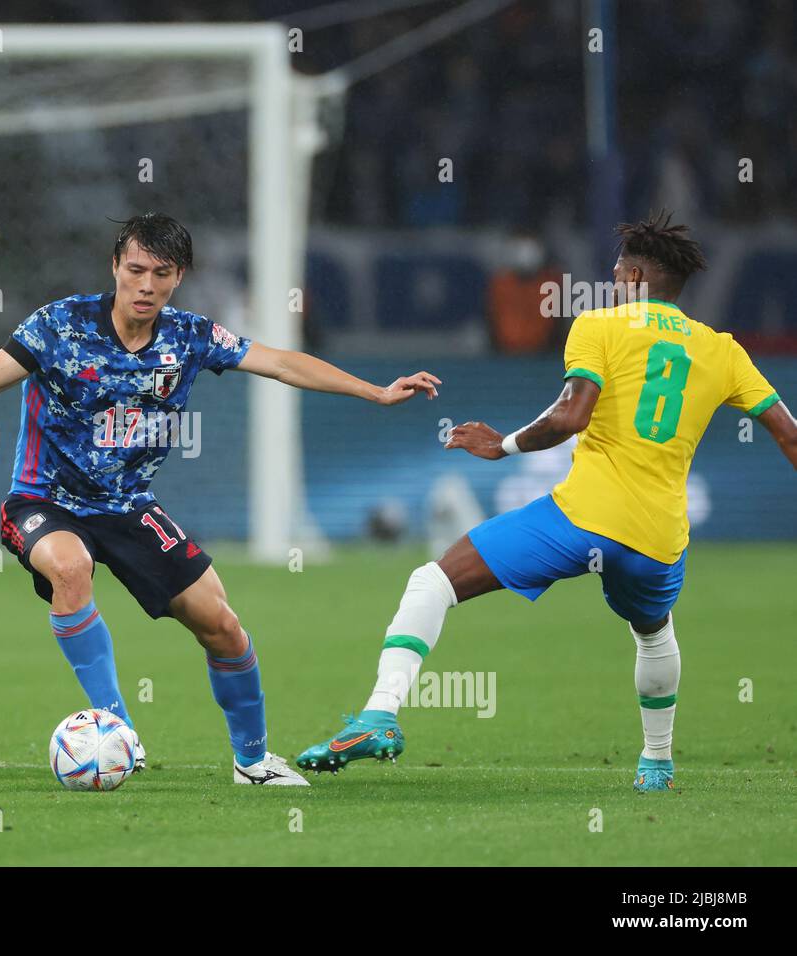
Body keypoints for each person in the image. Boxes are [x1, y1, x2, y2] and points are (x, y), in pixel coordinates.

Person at [0, 213, 440, 785]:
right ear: (115, 265)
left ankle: (253, 760)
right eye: (135, 269)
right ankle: (118, 729)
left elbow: (283, 362)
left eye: (159, 273)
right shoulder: (59, 325)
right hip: (45, 499)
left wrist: (375, 391)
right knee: (71, 569)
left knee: (223, 626)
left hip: (130, 504)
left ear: (178, 276)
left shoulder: (189, 337)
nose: (145, 285)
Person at [296, 212, 797, 791]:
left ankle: (380, 714)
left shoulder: (600, 327)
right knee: (654, 632)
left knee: (433, 582)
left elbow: (570, 416)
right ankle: (656, 764)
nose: (610, 281)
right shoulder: (723, 350)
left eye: (615, 272)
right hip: (658, 536)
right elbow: (787, 433)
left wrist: (502, 445)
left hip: (580, 519)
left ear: (634, 275)